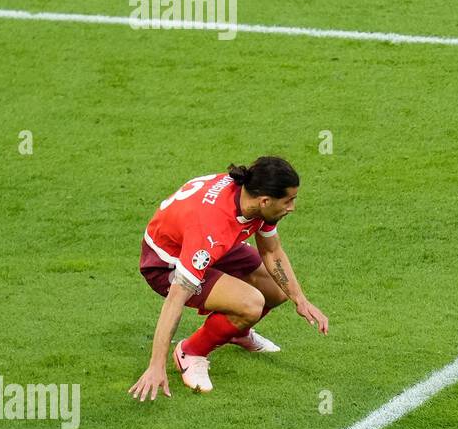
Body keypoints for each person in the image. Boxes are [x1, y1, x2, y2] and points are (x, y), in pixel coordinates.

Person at [130, 157, 329, 399]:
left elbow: (271, 251)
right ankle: (190, 352)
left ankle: (235, 331)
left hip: (215, 245)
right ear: (265, 201)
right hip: (166, 262)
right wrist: (155, 365)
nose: (292, 207)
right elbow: (175, 300)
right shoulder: (211, 226)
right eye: (288, 201)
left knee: (276, 290)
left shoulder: (253, 198)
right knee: (250, 303)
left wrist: (300, 300)